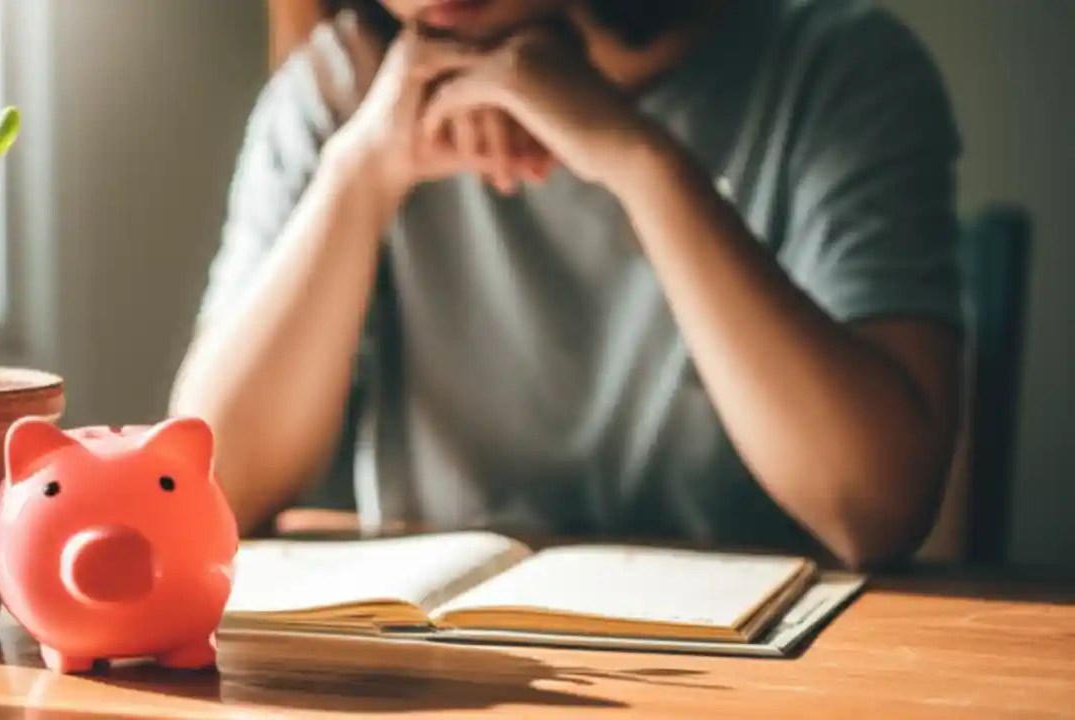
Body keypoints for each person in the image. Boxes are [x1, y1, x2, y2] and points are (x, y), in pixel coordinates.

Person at [171, 0, 963, 568]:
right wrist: (358, 174)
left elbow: (874, 510)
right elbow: (210, 489)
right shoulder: (342, 89)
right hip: (448, 662)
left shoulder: (840, 70)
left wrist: (639, 163)